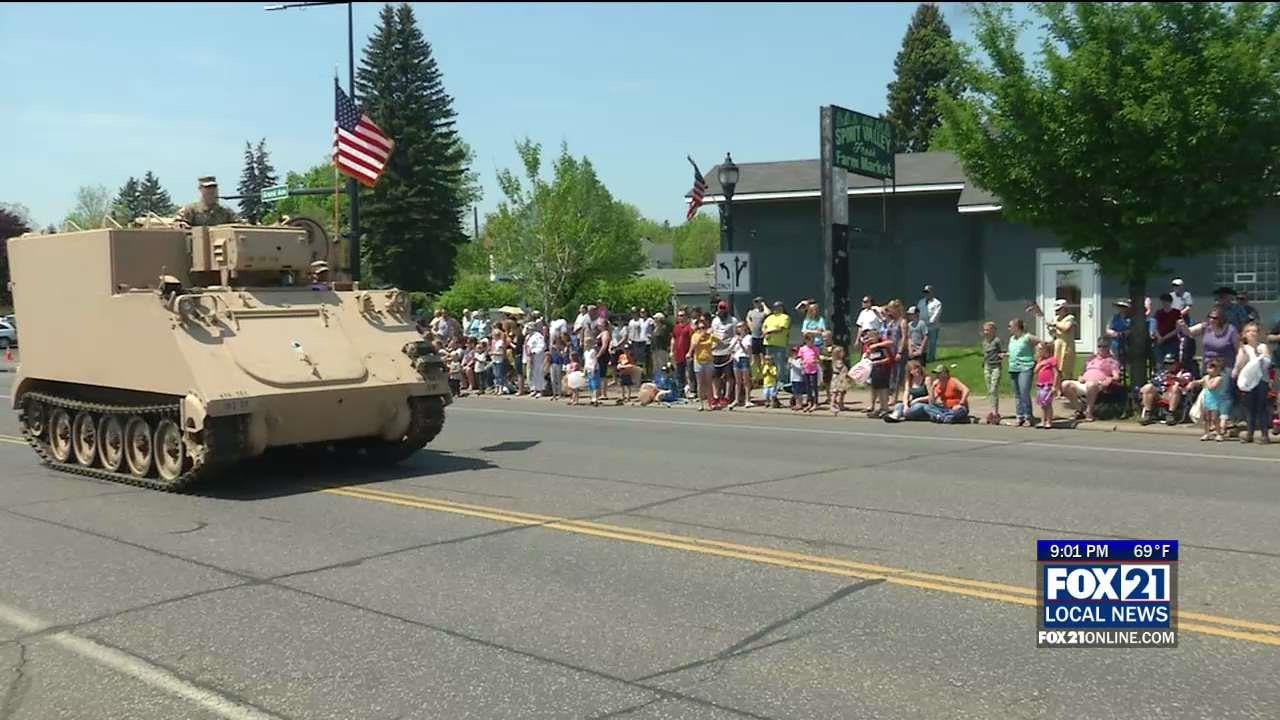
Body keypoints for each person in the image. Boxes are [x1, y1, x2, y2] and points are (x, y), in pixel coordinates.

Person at [1061, 339, 1122, 422]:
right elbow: (1082, 372)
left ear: (1108, 348)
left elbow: (1116, 377)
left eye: (1104, 346)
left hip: (1098, 384)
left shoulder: (1112, 361)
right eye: (1099, 346)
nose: (1101, 348)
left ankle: (1089, 412)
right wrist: (1080, 377)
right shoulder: (1091, 359)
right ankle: (1080, 409)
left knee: (1091, 385)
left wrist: (1109, 379)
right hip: (1084, 382)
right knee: (1065, 384)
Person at [1233, 322, 1273, 444]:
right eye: (1249, 331)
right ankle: (1250, 433)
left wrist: (1256, 353)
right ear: (1245, 334)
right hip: (1248, 382)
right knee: (1249, 409)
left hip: (1261, 381)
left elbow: (1266, 363)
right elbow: (1239, 365)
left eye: (1255, 331)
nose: (1252, 333)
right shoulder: (1243, 349)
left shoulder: (1262, 347)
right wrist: (1244, 352)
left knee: (1261, 407)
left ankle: (1265, 435)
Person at [1139, 353, 1194, 426]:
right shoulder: (1161, 373)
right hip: (1160, 394)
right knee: (1148, 387)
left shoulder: (1184, 373)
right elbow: (1153, 383)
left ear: (1177, 363)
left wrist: (1175, 378)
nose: (1168, 365)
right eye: (1166, 363)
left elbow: (1186, 382)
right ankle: (1148, 414)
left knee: (1175, 388)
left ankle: (1171, 414)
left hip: (1175, 396)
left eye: (1171, 363)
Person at [1007, 318, 1037, 428]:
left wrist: (1037, 357)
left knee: (1024, 392)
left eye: (1010, 326)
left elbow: (1041, 343)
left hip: (1026, 367)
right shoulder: (1012, 339)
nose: (1009, 328)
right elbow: (1013, 352)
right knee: (1017, 394)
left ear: (1017, 327)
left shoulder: (1027, 337)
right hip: (1014, 368)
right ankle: (1019, 417)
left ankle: (1028, 416)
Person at [176, 176, 241, 227]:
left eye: (214, 187)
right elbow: (177, 223)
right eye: (208, 187)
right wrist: (181, 223)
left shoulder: (226, 211)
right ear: (200, 189)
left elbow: (240, 225)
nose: (212, 190)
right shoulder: (190, 209)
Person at [710, 300, 738, 407]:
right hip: (716, 352)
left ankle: (727, 397)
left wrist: (732, 348)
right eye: (720, 308)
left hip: (727, 351)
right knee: (715, 376)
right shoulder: (715, 321)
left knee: (729, 376)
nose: (721, 310)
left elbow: (736, 335)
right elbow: (712, 333)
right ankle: (716, 396)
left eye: (723, 308)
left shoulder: (733, 321)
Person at [1198, 358, 1230, 442]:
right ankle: (1206, 433)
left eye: (1214, 368)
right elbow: (1199, 381)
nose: (1211, 370)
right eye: (1209, 368)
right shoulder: (1206, 377)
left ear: (1218, 369)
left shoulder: (1219, 378)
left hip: (1215, 401)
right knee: (1206, 418)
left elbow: (1212, 387)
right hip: (1207, 400)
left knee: (1215, 418)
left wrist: (1206, 380)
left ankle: (1219, 434)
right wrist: (1192, 383)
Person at [763, 301, 792, 392]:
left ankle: (781, 382)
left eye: (779, 307)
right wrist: (765, 332)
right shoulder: (769, 317)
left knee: (780, 364)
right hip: (768, 343)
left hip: (780, 344)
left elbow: (781, 329)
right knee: (770, 364)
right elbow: (764, 327)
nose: (777, 309)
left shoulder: (785, 317)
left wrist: (769, 332)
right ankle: (771, 382)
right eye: (775, 307)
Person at [689, 317, 716, 412]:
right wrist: (701, 335)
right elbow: (694, 344)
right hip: (699, 361)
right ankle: (701, 403)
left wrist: (712, 334)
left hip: (708, 360)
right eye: (700, 328)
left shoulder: (710, 336)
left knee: (709, 382)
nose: (702, 329)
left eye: (704, 327)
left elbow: (719, 341)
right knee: (700, 383)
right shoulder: (695, 335)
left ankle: (710, 403)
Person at [981, 321, 1004, 423]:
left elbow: (1001, 352)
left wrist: (1000, 357)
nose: (985, 332)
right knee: (989, 390)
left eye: (988, 330)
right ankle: (992, 410)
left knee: (994, 389)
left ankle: (995, 411)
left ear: (993, 330)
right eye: (984, 330)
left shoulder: (997, 341)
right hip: (987, 366)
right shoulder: (984, 341)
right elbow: (985, 354)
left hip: (996, 366)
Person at [1034, 340, 1060, 429]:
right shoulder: (1040, 360)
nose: (1039, 351)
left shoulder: (1052, 360)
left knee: (1047, 403)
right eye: (1039, 350)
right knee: (1042, 404)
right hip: (1040, 384)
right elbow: (1035, 371)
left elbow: (1056, 373)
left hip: (1048, 384)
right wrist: (1040, 364)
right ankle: (1042, 421)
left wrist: (1054, 385)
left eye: (1041, 350)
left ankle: (1049, 421)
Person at [1152, 293, 1182, 362]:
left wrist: (1164, 338)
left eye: (1166, 301)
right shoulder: (1158, 313)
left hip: (1172, 341)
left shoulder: (1176, 312)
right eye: (1162, 301)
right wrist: (1159, 337)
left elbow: (1177, 329)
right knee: (1159, 361)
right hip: (1159, 341)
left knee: (1171, 360)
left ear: (1170, 302)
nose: (1164, 303)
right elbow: (1154, 326)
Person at [729, 322, 752, 408]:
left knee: (746, 380)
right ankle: (736, 399)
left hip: (744, 358)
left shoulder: (748, 337)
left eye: (740, 326)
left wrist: (741, 343)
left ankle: (747, 400)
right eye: (738, 327)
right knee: (737, 381)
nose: (738, 328)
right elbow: (730, 349)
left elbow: (748, 352)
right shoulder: (735, 338)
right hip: (736, 359)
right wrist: (735, 342)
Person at [671, 309, 693, 399]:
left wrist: (690, 352)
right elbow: (673, 339)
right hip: (678, 354)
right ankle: (680, 392)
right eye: (679, 315)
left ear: (686, 316)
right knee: (679, 374)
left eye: (682, 315)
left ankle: (690, 391)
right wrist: (671, 351)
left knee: (688, 374)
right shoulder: (676, 327)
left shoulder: (689, 327)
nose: (681, 317)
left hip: (687, 354)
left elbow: (693, 340)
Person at [917, 285, 943, 361]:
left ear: (932, 292)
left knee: (932, 343)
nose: (926, 294)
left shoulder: (937, 303)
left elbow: (936, 314)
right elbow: (918, 312)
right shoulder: (921, 302)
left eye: (928, 292)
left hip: (932, 326)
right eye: (925, 292)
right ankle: (922, 357)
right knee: (922, 343)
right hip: (922, 325)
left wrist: (930, 322)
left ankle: (931, 358)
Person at [798, 335, 821, 413]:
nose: (811, 342)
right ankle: (809, 402)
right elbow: (800, 358)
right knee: (808, 387)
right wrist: (802, 362)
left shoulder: (815, 349)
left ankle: (815, 403)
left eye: (813, 341)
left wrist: (817, 361)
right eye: (810, 341)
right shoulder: (802, 349)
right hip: (806, 370)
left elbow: (818, 358)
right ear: (806, 341)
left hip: (813, 370)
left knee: (814, 386)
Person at [1105, 299, 1133, 365]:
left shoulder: (1131, 318)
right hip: (1115, 341)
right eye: (1120, 307)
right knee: (1114, 355)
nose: (1122, 308)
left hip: (1128, 341)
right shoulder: (1114, 317)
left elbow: (1133, 329)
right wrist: (1113, 333)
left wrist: (1126, 332)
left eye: (1124, 307)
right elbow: (1108, 329)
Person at [746, 297, 769, 370]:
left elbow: (768, 313)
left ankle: (764, 371)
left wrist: (764, 305)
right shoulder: (751, 312)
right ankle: (758, 372)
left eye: (758, 302)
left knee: (764, 355)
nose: (756, 303)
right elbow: (747, 318)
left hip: (762, 336)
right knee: (755, 355)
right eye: (755, 302)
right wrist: (750, 326)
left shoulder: (764, 312)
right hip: (754, 336)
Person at [829, 346, 850, 415]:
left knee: (842, 392)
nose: (843, 353)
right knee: (835, 392)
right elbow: (839, 367)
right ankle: (832, 405)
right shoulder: (837, 361)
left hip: (842, 378)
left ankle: (841, 404)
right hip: (837, 378)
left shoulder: (842, 360)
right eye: (842, 352)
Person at [650, 312, 671, 376]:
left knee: (662, 365)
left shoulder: (664, 328)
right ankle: (657, 379)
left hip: (662, 349)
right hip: (655, 349)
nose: (654, 319)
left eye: (656, 318)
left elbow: (666, 339)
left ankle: (663, 378)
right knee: (656, 365)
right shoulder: (654, 328)